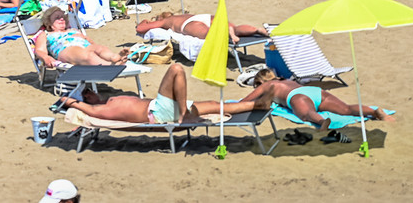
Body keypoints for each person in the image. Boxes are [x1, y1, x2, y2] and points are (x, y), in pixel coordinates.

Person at [57, 62, 267, 126]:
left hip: (164, 108)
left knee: (215, 105)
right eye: (87, 93)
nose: (91, 93)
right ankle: (184, 114)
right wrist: (71, 102)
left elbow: (88, 102)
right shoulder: (102, 111)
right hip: (159, 112)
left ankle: (258, 105)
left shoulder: (107, 102)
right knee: (176, 69)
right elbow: (83, 107)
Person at [237, 69, 390, 133]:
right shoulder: (285, 79)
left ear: (261, 82)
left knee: (307, 113)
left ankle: (322, 122)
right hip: (314, 91)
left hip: (297, 96)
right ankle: (374, 112)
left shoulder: (267, 85)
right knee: (346, 109)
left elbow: (245, 101)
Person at [32, 7, 127, 67]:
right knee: (87, 56)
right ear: (48, 22)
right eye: (57, 17)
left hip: (85, 46)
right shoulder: (45, 34)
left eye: (63, 17)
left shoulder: (73, 30)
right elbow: (39, 50)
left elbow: (92, 43)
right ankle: (110, 66)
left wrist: (84, 38)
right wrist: (46, 58)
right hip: (66, 49)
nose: (61, 19)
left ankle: (114, 57)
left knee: (100, 48)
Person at [136, 11, 269, 44]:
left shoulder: (166, 21)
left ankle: (228, 33)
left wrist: (145, 22)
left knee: (210, 34)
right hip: (205, 16)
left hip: (190, 24)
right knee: (236, 28)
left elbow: (140, 29)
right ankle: (257, 30)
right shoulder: (182, 15)